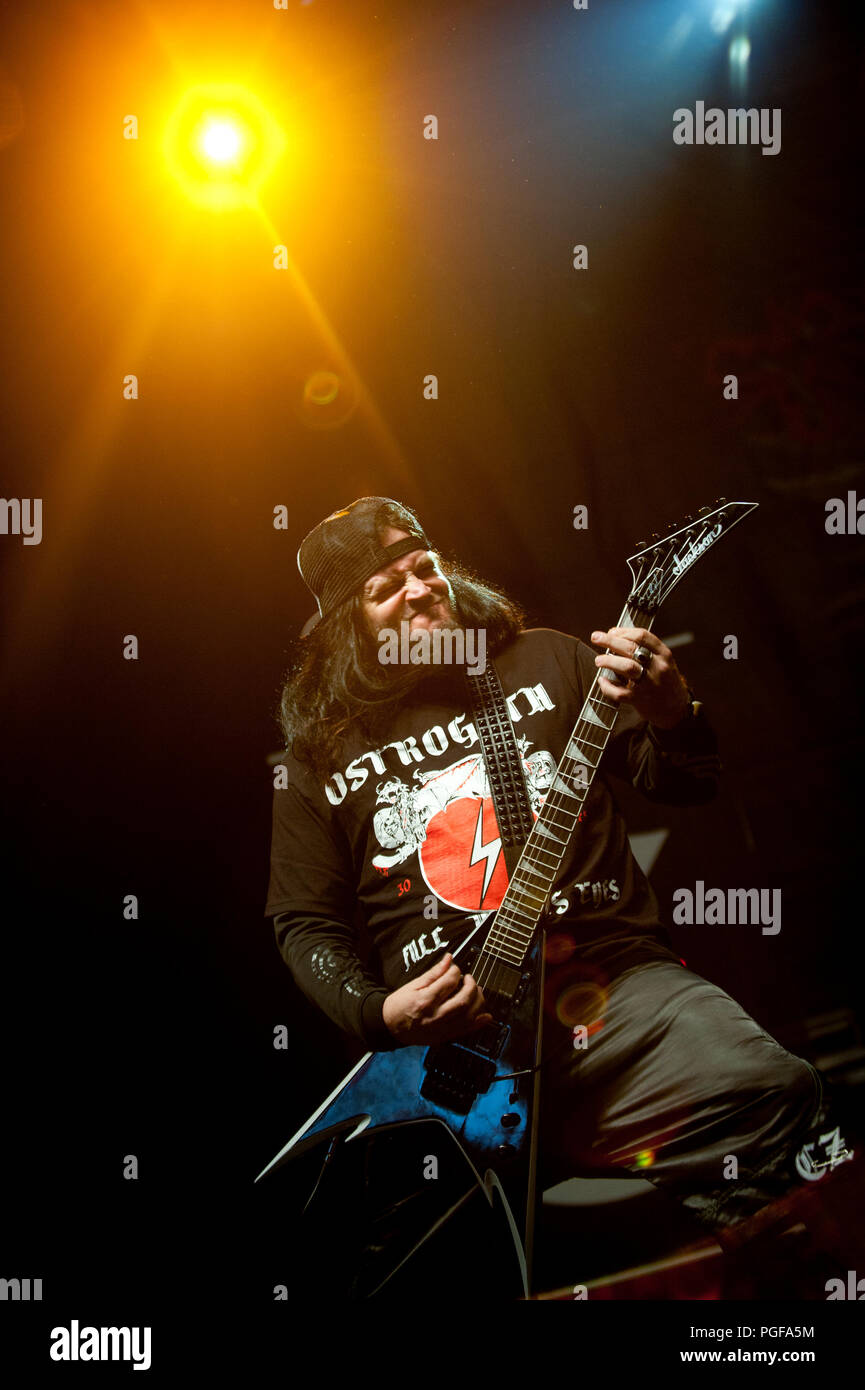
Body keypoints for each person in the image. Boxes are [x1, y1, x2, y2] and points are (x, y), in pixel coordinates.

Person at [264, 495, 848, 1294]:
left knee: (769, 1092)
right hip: (444, 1061)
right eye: (383, 587)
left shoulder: (544, 661)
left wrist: (672, 711)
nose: (417, 588)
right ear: (345, 626)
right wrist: (379, 1013)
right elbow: (304, 922)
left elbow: (682, 783)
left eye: (421, 568)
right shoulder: (320, 754)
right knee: (386, 1262)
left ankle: (791, 1308)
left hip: (610, 994)